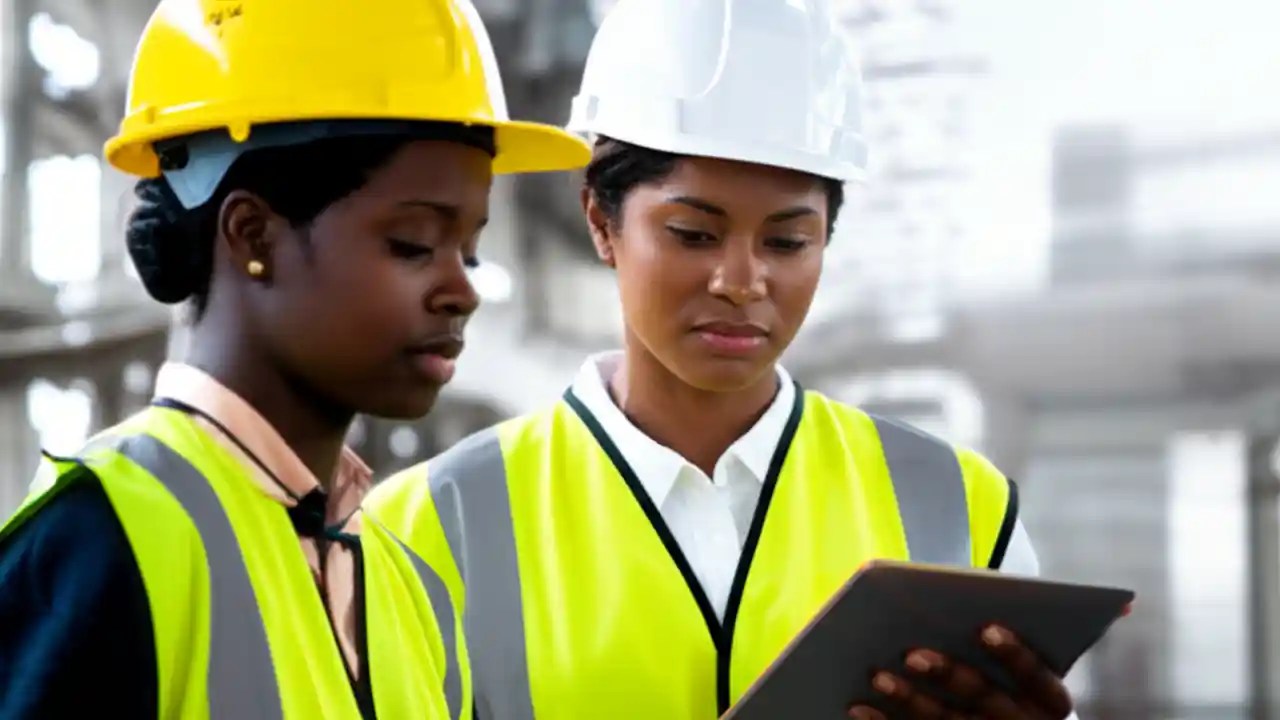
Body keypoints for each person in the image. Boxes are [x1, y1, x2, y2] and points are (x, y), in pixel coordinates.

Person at [365, 0, 1093, 718]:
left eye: (787, 243)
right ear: (600, 220)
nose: (742, 282)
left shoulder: (958, 505)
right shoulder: (428, 525)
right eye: (693, 233)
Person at [0, 0, 588, 718]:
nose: (463, 289)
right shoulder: (99, 540)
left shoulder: (405, 587)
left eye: (468, 248)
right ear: (252, 236)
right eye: (413, 244)